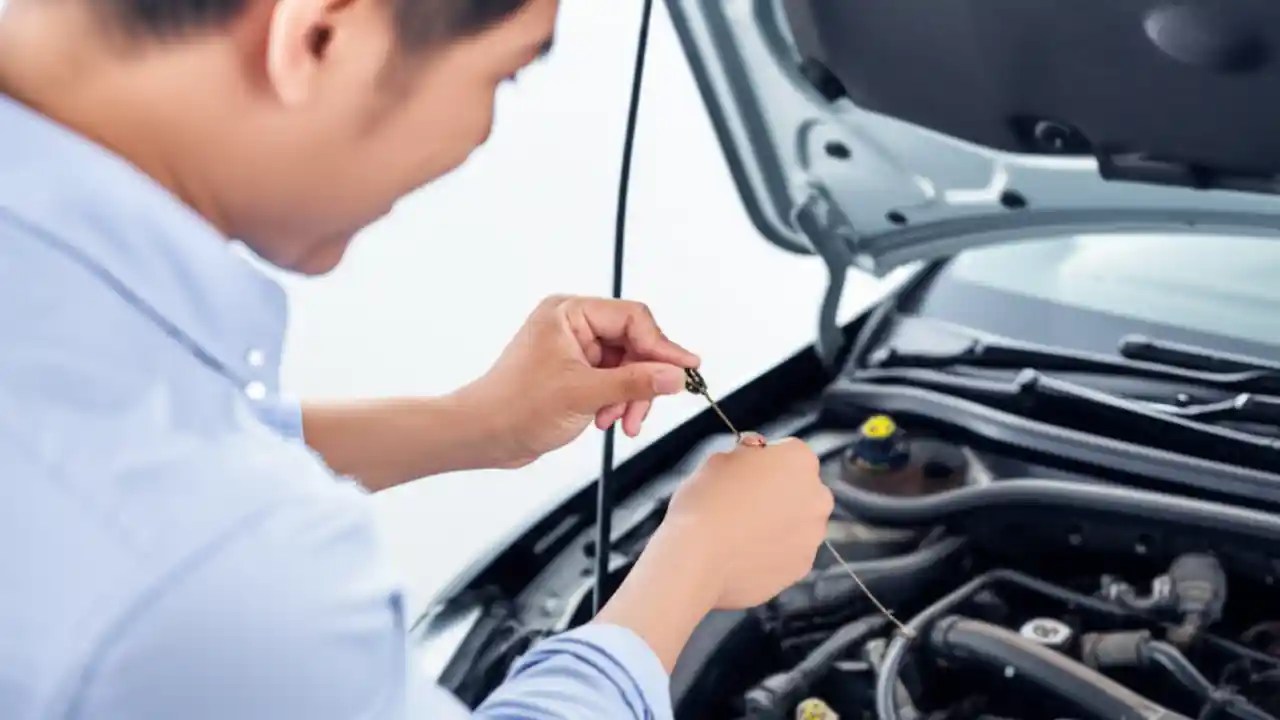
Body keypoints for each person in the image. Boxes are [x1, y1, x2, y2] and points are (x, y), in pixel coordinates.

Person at [0, 0, 835, 718]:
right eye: (502, 76)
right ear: (322, 37)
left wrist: (474, 425)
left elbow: (126, 446)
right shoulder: (210, 563)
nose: (479, 134)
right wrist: (694, 565)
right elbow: (166, 512)